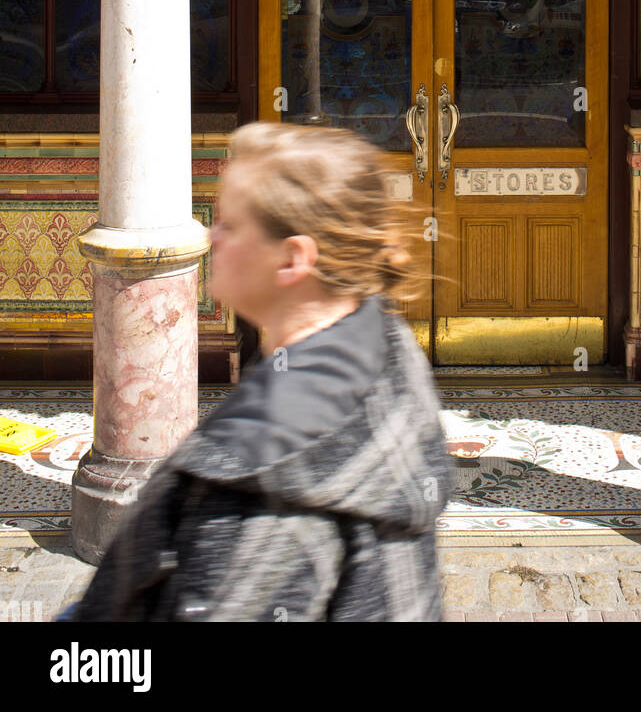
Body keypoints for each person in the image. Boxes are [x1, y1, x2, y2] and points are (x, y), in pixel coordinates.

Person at [67, 122, 454, 622]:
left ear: (293, 259)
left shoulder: (257, 487)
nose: (211, 234)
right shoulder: (385, 347)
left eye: (231, 224)